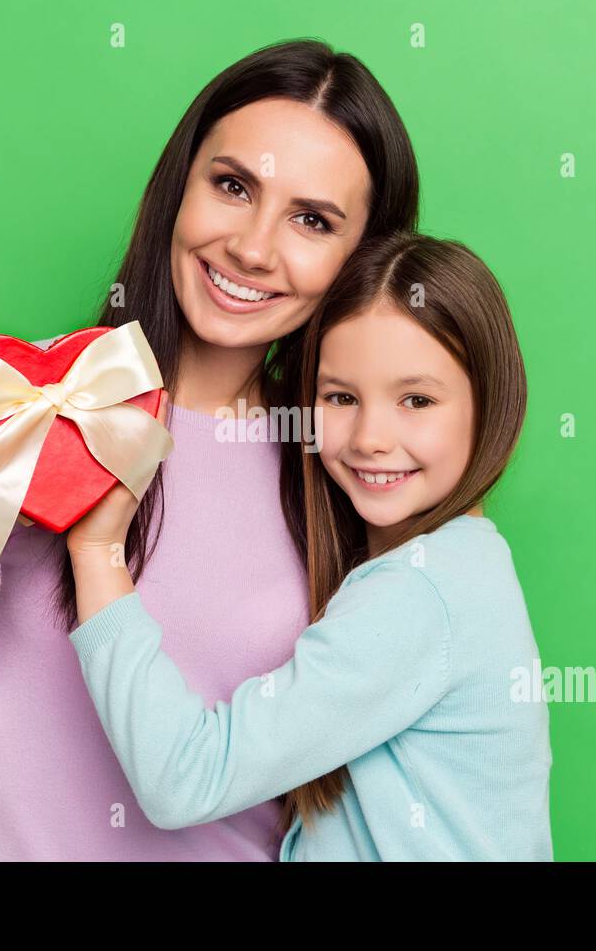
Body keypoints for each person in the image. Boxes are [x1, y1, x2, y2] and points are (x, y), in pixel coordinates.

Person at [0, 38, 421, 860]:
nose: (251, 247)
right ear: (179, 187)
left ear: (361, 261)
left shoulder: (353, 471)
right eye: (233, 185)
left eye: (312, 220)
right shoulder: (6, 404)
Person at [65, 232, 554, 860]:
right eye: (341, 397)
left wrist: (97, 551)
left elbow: (184, 781)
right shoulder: (460, 570)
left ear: (491, 405)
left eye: (417, 400)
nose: (372, 437)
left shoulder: (423, 590)